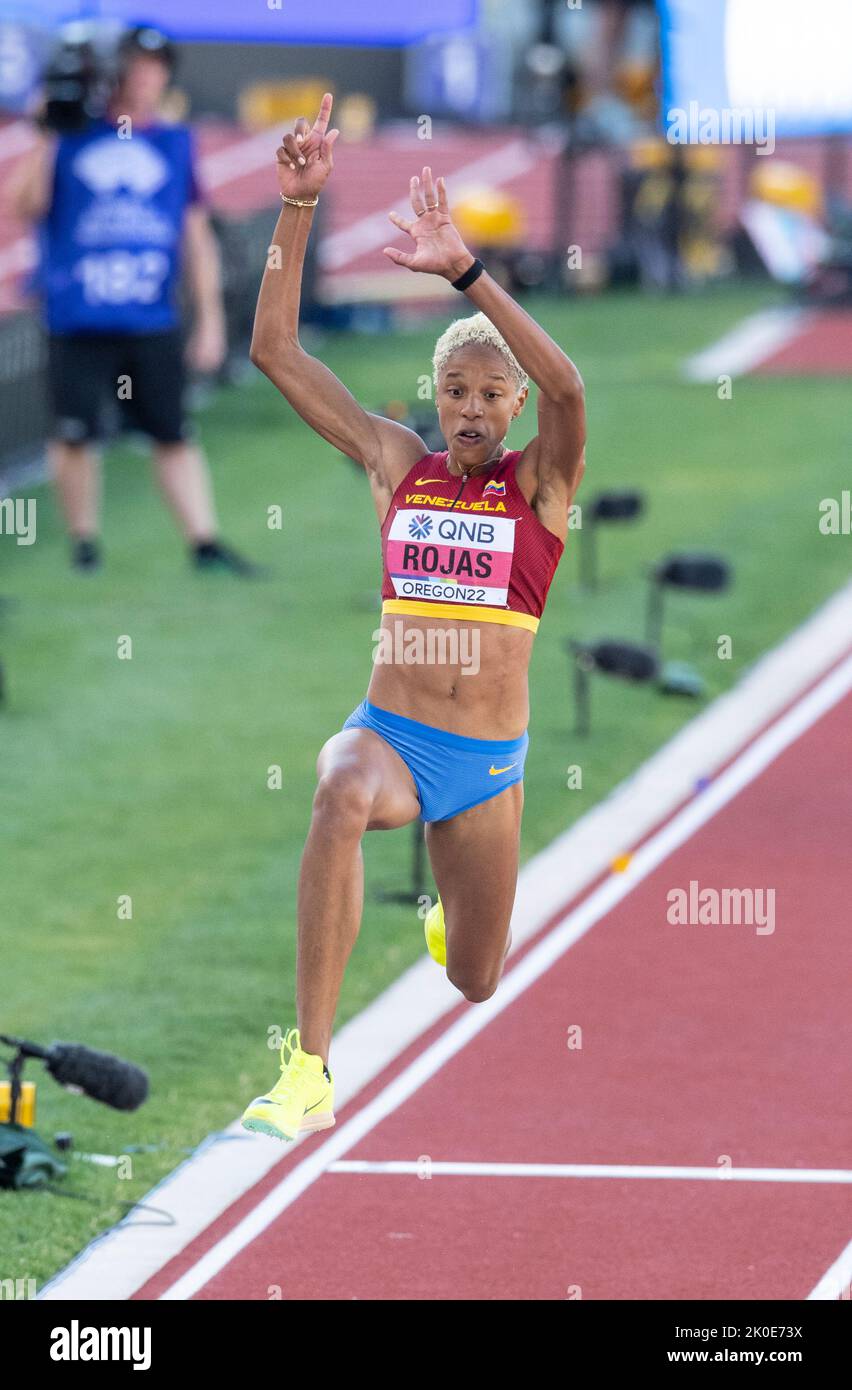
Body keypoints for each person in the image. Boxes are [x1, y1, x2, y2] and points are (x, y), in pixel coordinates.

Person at [241, 94, 585, 1142]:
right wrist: (297, 206)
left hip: (483, 763)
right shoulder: (398, 465)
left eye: (490, 394)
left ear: (512, 407)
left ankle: (447, 920)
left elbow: (569, 383)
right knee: (337, 782)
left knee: (476, 980)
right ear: (433, 394)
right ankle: (307, 1068)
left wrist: (468, 272)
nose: (471, 410)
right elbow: (275, 351)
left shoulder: (540, 485)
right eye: (455, 391)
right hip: (391, 736)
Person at [10, 25, 255, 573]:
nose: (146, 77)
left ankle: (204, 543)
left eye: (155, 67)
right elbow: (25, 204)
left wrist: (211, 319)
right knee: (74, 434)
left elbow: (195, 236)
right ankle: (84, 545)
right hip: (78, 316)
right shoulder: (72, 137)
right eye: (136, 65)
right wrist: (49, 131)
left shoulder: (174, 142)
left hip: (150, 316)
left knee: (173, 430)